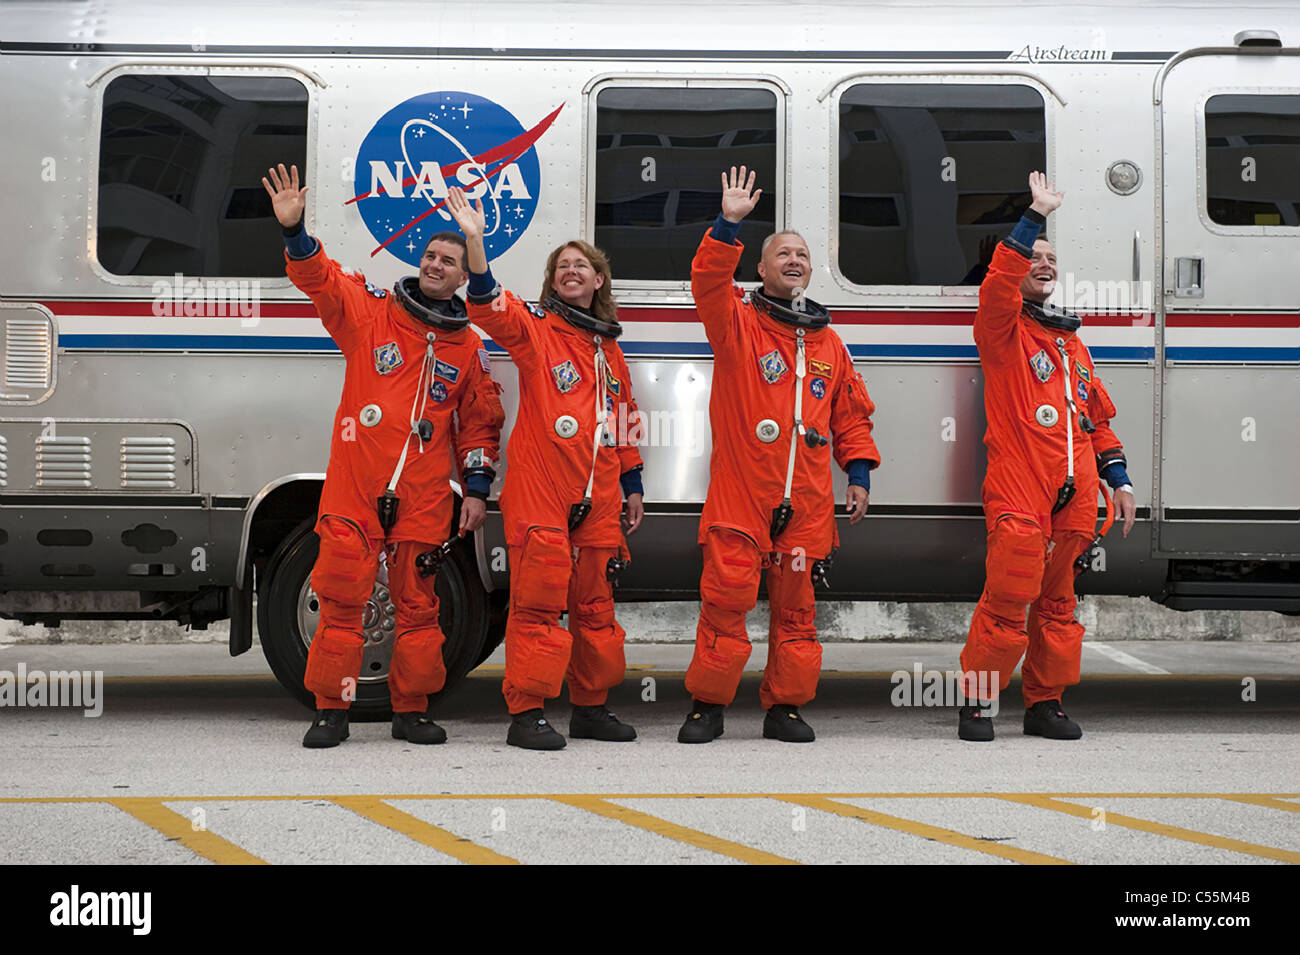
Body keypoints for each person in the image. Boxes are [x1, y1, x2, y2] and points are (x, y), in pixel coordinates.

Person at [262, 164, 504, 749]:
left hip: (421, 494)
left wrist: (475, 492)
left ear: (462, 273)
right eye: (429, 255)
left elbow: (480, 425)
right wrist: (295, 232)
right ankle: (331, 710)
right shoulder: (372, 314)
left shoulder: (469, 348)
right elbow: (322, 281)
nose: (434, 265)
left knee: (418, 607)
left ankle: (412, 710)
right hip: (356, 484)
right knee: (343, 598)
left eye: (449, 260)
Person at [679, 166, 882, 744]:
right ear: (761, 268)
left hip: (808, 502)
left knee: (796, 615)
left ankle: (785, 708)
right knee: (725, 604)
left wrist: (859, 473)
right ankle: (706, 707)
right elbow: (707, 284)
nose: (795, 260)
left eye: (803, 255)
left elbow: (850, 416)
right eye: (783, 254)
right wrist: (728, 224)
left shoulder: (829, 343)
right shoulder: (737, 325)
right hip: (743, 497)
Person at [445, 186, 646, 751]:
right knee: (537, 602)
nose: (571, 271)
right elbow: (488, 306)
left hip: (600, 493)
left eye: (581, 265)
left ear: (599, 280)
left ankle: (590, 707)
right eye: (562, 267)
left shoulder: (609, 350)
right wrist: (475, 242)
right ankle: (527, 712)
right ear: (553, 282)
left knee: (595, 607)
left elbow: (626, 419)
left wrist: (632, 484)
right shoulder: (536, 331)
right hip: (543, 492)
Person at [957, 170, 1137, 742]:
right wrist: (1034, 216)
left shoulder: (1071, 344)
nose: (1046, 264)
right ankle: (980, 703)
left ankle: (1045, 703)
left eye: (1052, 258)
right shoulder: (1002, 330)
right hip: (1020, 485)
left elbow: (1096, 420)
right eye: (1035, 256)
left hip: (1076, 495)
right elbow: (996, 286)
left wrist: (1120, 480)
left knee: (1058, 607)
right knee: (1009, 597)